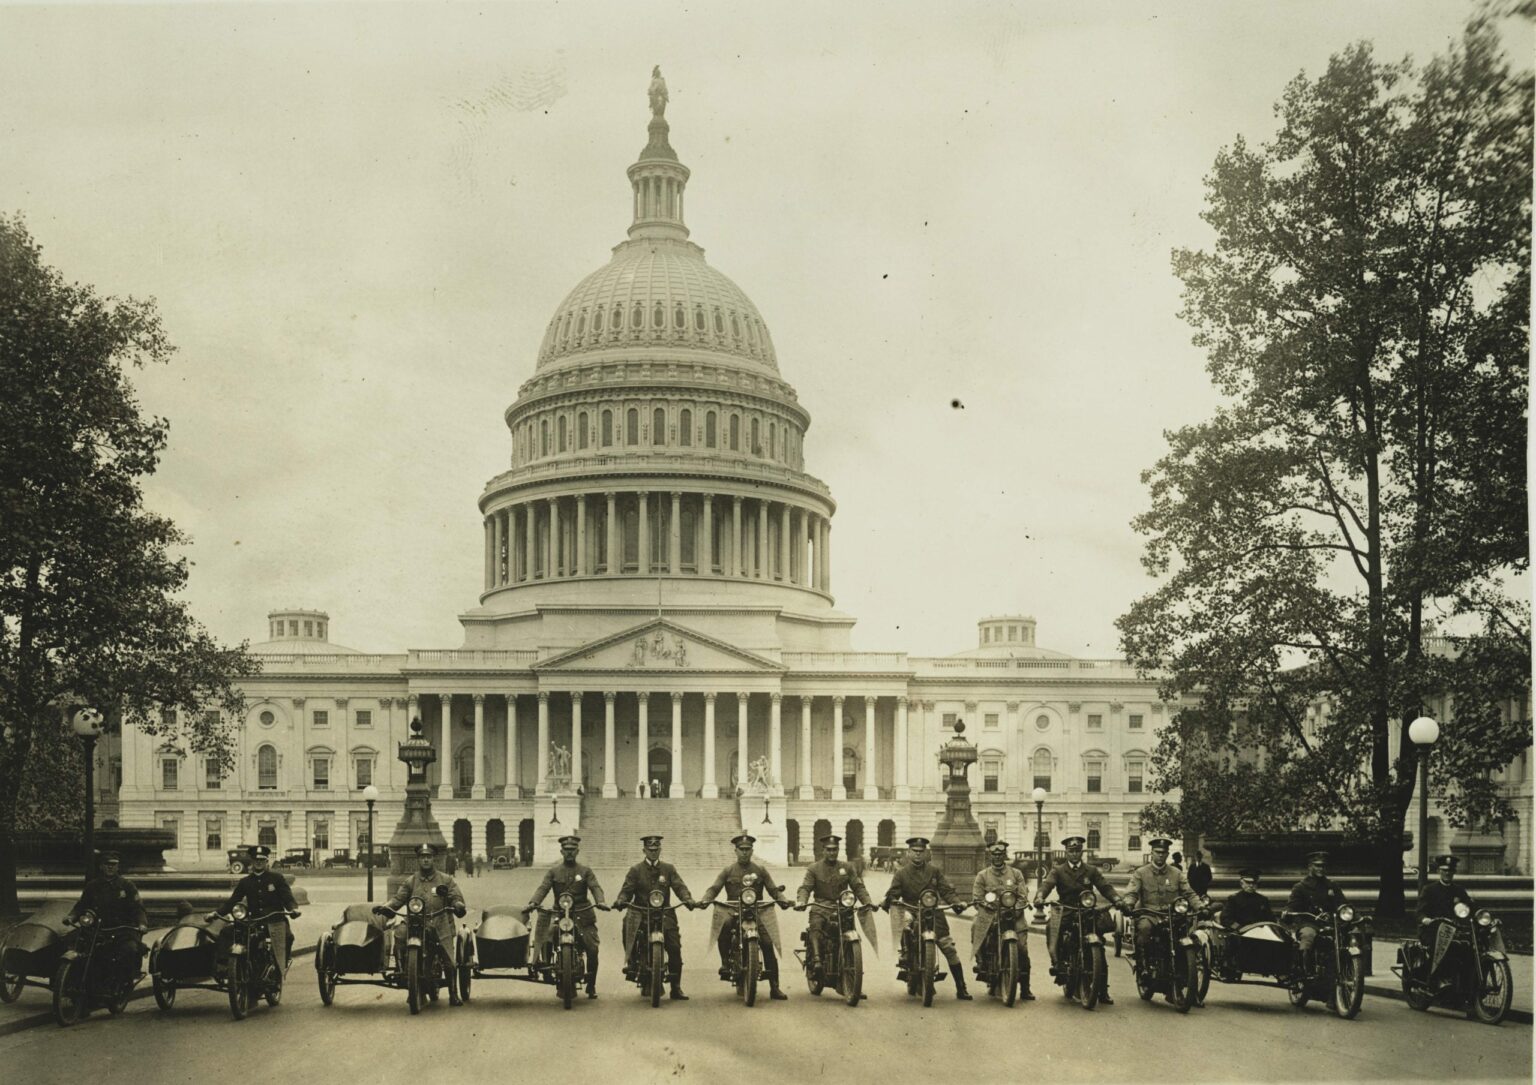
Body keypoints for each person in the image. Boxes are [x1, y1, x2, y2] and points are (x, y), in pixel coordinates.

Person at [699, 832, 794, 1000]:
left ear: (752, 851)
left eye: (748, 849)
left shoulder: (760, 870)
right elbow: (714, 888)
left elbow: (773, 890)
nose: (744, 852)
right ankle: (725, 963)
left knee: (767, 942)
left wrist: (783, 900)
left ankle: (775, 987)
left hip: (757, 912)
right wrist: (706, 899)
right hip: (734, 911)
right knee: (724, 925)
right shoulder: (728, 870)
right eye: (741, 849)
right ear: (735, 851)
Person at [1033, 834, 1121, 1004]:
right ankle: (1057, 962)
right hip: (1066, 910)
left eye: (1078, 851)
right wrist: (1040, 896)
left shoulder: (1091, 870)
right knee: (1052, 927)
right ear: (1066, 852)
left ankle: (1102, 990)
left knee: (1100, 946)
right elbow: (1047, 885)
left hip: (1087, 912)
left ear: (1082, 852)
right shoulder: (1058, 870)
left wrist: (1116, 899)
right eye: (1071, 851)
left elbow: (1104, 886)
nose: (1074, 854)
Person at [881, 836, 972, 1000]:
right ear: (908, 853)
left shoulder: (934, 871)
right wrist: (888, 901)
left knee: (949, 948)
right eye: (914, 851)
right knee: (905, 921)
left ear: (925, 853)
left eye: (921, 851)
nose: (917, 854)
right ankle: (906, 953)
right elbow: (894, 892)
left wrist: (957, 902)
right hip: (912, 909)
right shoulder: (901, 873)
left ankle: (961, 987)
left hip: (933, 913)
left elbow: (946, 890)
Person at [377, 844, 468, 1003]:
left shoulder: (445, 879)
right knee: (399, 935)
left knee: (449, 960)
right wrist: (386, 907)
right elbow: (398, 899)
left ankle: (453, 993)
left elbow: (455, 897)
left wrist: (458, 905)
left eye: (429, 857)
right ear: (418, 860)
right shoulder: (411, 881)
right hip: (416, 923)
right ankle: (409, 980)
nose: (426, 860)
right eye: (422, 857)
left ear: (433, 859)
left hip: (440, 923)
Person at [614, 834, 697, 1000]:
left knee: (674, 946)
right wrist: (621, 900)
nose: (653, 852)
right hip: (641, 913)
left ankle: (676, 987)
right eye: (650, 849)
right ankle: (631, 960)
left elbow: (680, 887)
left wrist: (688, 899)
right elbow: (627, 890)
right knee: (627, 925)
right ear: (644, 850)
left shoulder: (668, 869)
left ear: (660, 849)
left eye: (656, 849)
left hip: (664, 913)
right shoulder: (636, 870)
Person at [525, 834, 608, 998]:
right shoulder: (554, 872)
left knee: (592, 947)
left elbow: (595, 887)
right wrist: (534, 902)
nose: (569, 853)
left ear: (578, 851)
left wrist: (601, 901)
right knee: (546, 939)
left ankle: (591, 984)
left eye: (573, 850)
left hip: (582, 914)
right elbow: (543, 888)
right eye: (566, 850)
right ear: (561, 851)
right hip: (559, 914)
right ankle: (547, 971)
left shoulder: (585, 871)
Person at [794, 834, 874, 998]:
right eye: (829, 850)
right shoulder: (814, 868)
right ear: (823, 850)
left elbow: (858, 886)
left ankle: (853, 983)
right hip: (821, 907)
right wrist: (801, 901)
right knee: (816, 927)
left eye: (835, 849)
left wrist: (868, 901)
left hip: (842, 909)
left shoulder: (847, 867)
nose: (832, 853)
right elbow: (805, 887)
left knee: (853, 937)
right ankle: (816, 960)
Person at [213, 844, 300, 973]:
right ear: (252, 862)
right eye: (256, 860)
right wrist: (216, 913)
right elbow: (233, 901)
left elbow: (287, 897)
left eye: (261, 860)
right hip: (253, 920)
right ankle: (225, 966)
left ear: (266, 861)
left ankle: (282, 963)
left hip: (274, 920)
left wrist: (293, 909)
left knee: (288, 937)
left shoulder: (276, 878)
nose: (258, 863)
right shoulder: (245, 882)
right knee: (227, 932)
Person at [67, 851, 147, 978]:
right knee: (80, 950)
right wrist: (71, 917)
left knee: (129, 950)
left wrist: (142, 923)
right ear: (101, 866)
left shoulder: (127, 886)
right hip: (98, 931)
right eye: (107, 864)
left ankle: (125, 980)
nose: (110, 867)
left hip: (123, 930)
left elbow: (138, 908)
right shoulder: (93, 886)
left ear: (118, 867)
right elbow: (81, 905)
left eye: (114, 864)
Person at [970, 840, 1034, 1000]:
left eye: (1000, 854)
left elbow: (1022, 896)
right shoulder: (982, 875)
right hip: (991, 915)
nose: (997, 857)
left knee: (1022, 949)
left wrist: (1017, 909)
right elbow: (977, 898)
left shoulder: (1016, 874)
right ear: (990, 855)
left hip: (1014, 916)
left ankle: (1025, 988)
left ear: (1005, 855)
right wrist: (986, 907)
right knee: (975, 925)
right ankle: (981, 960)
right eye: (994, 854)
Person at [1121, 837, 1196, 959]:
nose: (1160, 855)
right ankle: (1143, 965)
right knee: (1144, 929)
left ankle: (1185, 966)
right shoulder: (1141, 873)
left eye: (1163, 853)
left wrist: (1201, 907)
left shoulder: (1176, 873)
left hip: (1173, 916)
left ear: (1167, 854)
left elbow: (1189, 893)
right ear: (1152, 853)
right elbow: (1131, 892)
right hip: (1149, 915)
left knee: (1185, 933)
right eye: (1157, 852)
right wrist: (1128, 904)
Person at [1285, 850, 1347, 972]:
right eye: (1317, 865)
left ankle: (1349, 969)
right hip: (1309, 923)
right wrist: (1288, 912)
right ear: (1310, 866)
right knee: (1308, 936)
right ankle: (1305, 971)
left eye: (1323, 866)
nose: (1321, 869)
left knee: (1349, 935)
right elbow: (1292, 905)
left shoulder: (1332, 885)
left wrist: (1355, 915)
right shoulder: (1301, 887)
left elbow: (1343, 903)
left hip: (1330, 923)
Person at [1417, 854, 1474, 978]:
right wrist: (1425, 919)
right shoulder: (1429, 889)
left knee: (1471, 948)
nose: (1447, 873)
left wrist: (1483, 916)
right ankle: (1435, 979)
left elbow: (1470, 906)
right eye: (1444, 870)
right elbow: (1420, 911)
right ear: (1439, 871)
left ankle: (1469, 981)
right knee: (1438, 948)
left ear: (1454, 872)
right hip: (1433, 930)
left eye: (1450, 871)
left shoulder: (1459, 890)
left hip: (1455, 930)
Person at [1216, 868, 1275, 979]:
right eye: (1248, 883)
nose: (1251, 886)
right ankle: (1229, 967)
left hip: (1260, 934)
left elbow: (1271, 919)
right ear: (1241, 883)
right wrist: (1238, 928)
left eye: (1254, 883)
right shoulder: (1234, 899)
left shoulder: (1263, 900)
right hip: (1240, 932)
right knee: (1232, 939)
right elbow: (1225, 918)